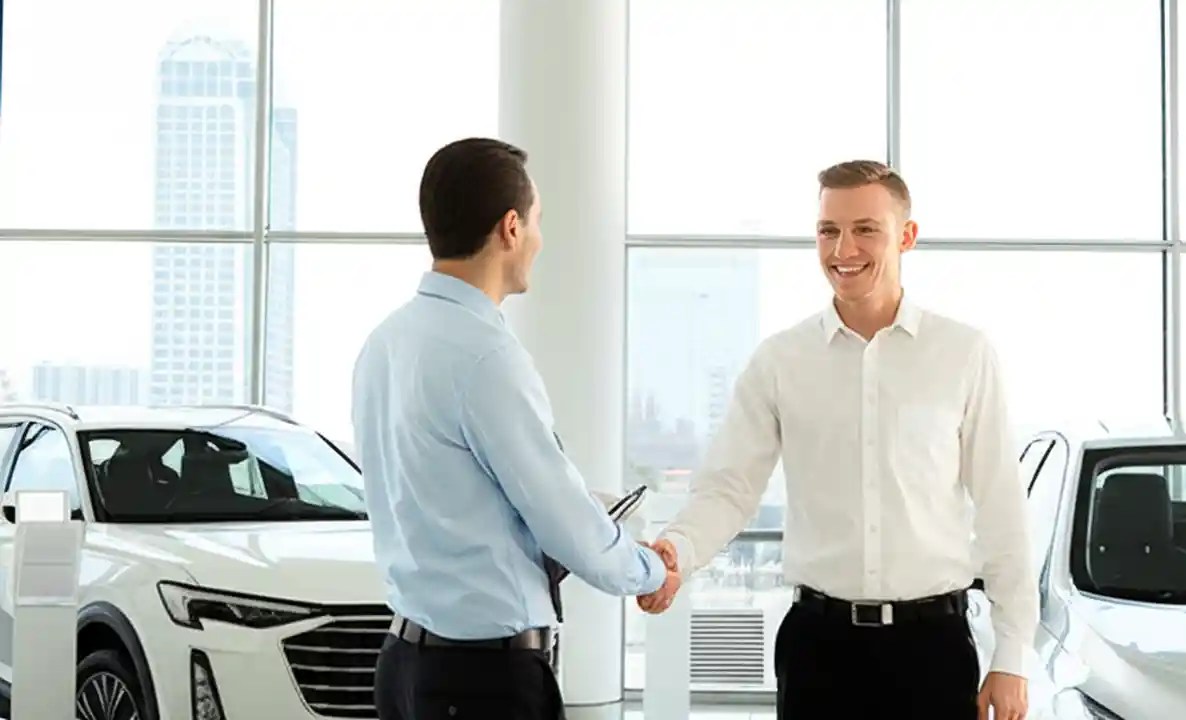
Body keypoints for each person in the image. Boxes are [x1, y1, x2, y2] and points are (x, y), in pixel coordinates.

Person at [636, 160, 1037, 719]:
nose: (843, 248)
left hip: (933, 650)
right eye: (829, 231)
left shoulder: (963, 354)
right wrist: (676, 551)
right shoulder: (781, 361)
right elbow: (728, 489)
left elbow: (1001, 508)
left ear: (907, 235)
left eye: (865, 229)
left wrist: (1012, 653)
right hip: (818, 652)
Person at [353, 137, 679, 720]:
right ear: (509, 228)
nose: (539, 239)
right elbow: (564, 525)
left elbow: (447, 492)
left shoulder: (385, 343)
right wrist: (649, 571)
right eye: (536, 222)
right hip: (481, 682)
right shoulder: (484, 356)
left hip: (403, 665)